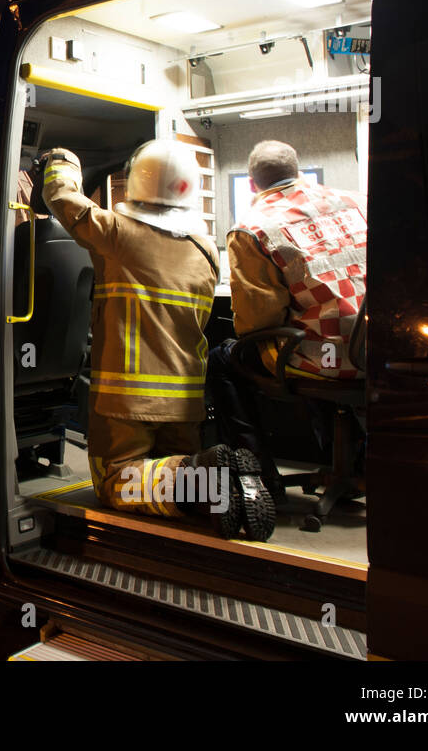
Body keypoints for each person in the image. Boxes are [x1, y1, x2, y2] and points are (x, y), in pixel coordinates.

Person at [39, 140, 275, 541]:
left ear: (136, 186)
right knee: (167, 466)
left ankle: (201, 480)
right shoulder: (205, 250)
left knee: (116, 481)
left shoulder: (117, 234)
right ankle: (206, 479)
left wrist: (60, 161)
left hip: (126, 400)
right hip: (185, 402)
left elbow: (61, 197)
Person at [211, 140, 368, 490]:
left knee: (225, 359)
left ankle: (260, 480)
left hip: (325, 361)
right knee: (312, 341)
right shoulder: (359, 202)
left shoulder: (252, 228)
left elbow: (257, 322)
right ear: (298, 170)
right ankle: (353, 468)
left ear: (252, 184)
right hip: (376, 350)